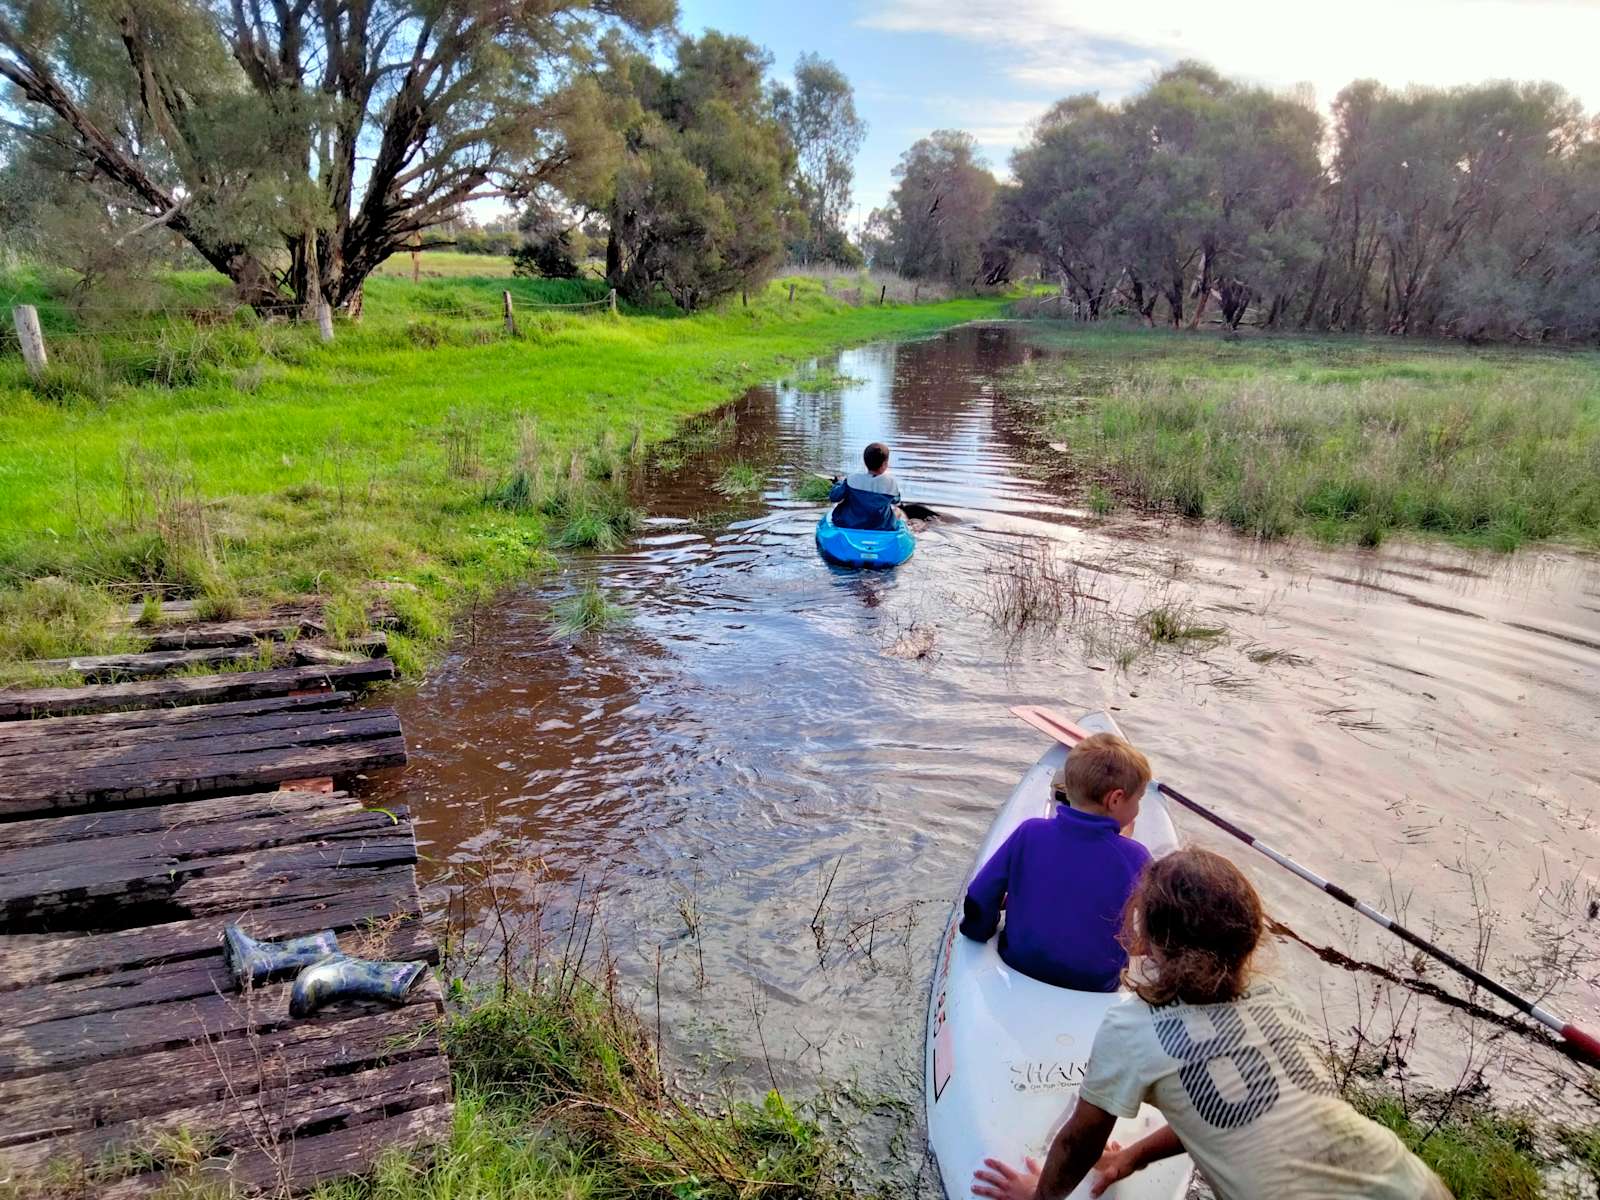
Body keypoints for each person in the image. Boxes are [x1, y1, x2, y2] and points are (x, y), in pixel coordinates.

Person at [972, 849, 1453, 1200]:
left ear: (1150, 941)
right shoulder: (1275, 996)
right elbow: (1237, 1105)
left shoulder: (1133, 1026)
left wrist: (1040, 1196)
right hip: (1407, 1182)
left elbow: (1081, 1140)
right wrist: (1133, 1157)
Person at [959, 733, 1151, 991]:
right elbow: (1158, 924)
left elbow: (979, 896)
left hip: (1019, 962)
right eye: (1138, 800)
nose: (1138, 809)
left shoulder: (1029, 833)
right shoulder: (1137, 857)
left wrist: (979, 931)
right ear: (1115, 799)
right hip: (1095, 984)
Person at [828, 441, 901, 530]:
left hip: (849, 524)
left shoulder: (852, 479)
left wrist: (839, 483)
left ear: (865, 462)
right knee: (897, 511)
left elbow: (834, 497)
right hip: (880, 527)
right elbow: (896, 500)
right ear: (885, 464)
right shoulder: (891, 483)